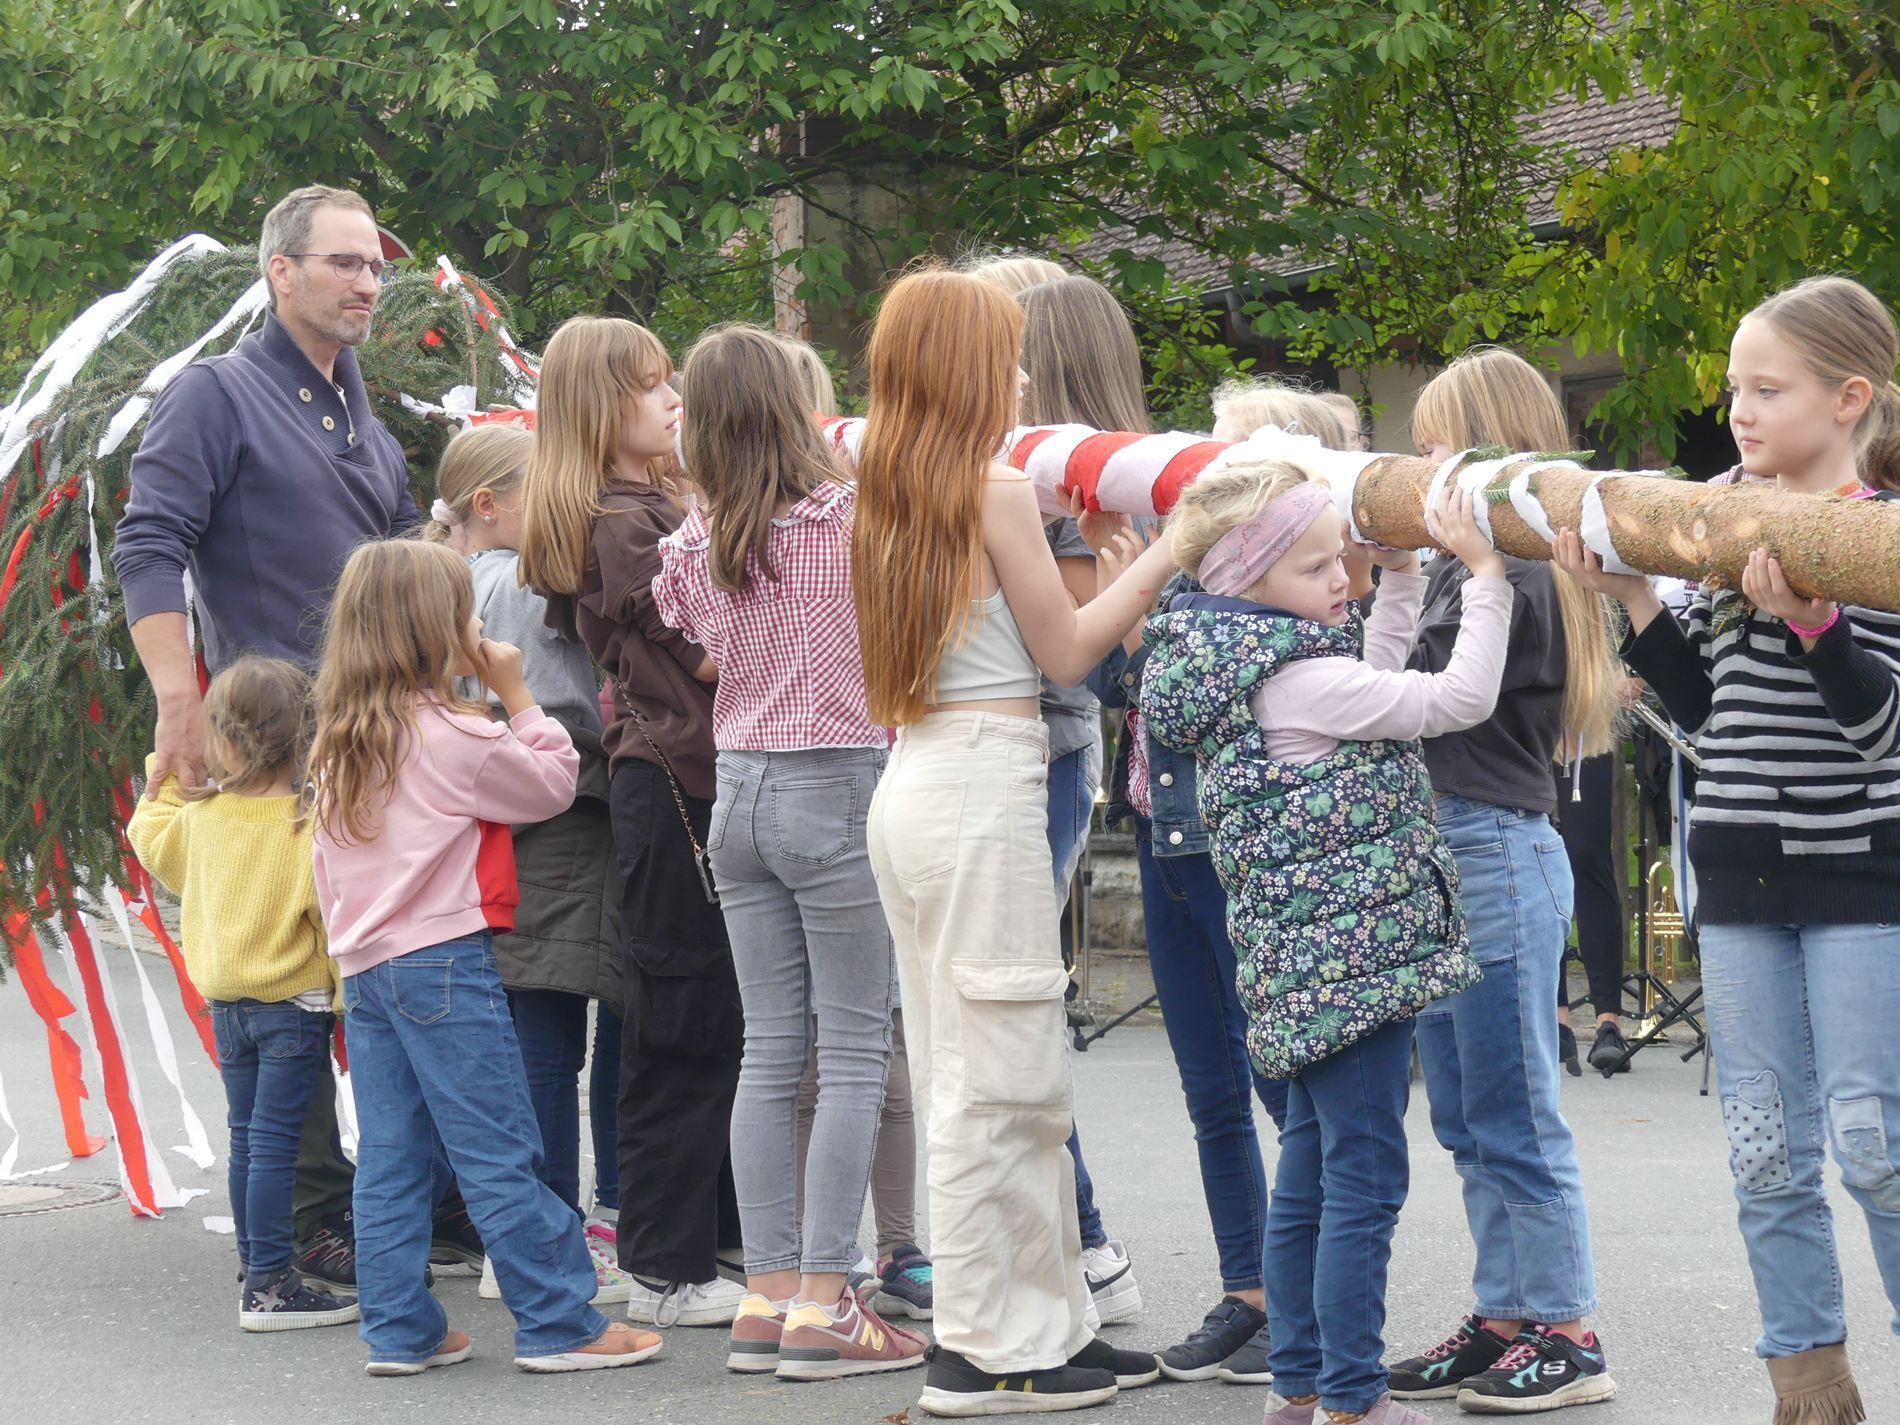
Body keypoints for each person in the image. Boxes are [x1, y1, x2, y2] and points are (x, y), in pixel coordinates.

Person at [112, 182, 477, 1292]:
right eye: (344, 263)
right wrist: (181, 700)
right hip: (278, 742)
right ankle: (315, 1223)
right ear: (281, 272)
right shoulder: (215, 396)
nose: (368, 282)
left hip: (379, 733)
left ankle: (432, 1200)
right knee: (290, 990)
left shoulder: (358, 407)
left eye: (375, 266)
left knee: (399, 964)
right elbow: (148, 544)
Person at [1555, 274, 1900, 1425]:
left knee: (1875, 1146)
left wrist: (1817, 625)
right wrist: (1636, 605)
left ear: (1849, 397)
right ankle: (1808, 1388)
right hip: (1741, 879)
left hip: (1860, 881)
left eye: (1767, 388)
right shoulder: (1719, 525)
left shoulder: (1880, 537)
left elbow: (1878, 725)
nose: (1739, 410)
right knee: (1763, 1152)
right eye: (1732, 388)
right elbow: (1709, 714)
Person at [853, 266, 1173, 1416]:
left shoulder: (884, 484)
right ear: (964, 368)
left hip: (921, 780)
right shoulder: (986, 488)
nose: (1026, 373)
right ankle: (990, 1344)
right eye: (1007, 353)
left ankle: (1043, 1322)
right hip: (980, 782)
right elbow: (1072, 649)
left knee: (979, 1061)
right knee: (1003, 1076)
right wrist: (1165, 548)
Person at [1142, 461, 1504, 1425]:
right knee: (1366, 1177)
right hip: (1356, 964)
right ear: (1251, 581)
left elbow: (1366, 675)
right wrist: (1486, 577)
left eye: (1335, 560)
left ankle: (1298, 1384)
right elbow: (1451, 698)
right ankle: (1352, 1394)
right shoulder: (1300, 678)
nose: (1335, 579)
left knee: (1307, 1170)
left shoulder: (1239, 665)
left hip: (1298, 967)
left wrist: (1392, 577)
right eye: (1314, 569)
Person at [306, 538, 660, 1374]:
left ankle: (398, 1329)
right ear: (438, 633)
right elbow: (552, 783)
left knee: (392, 1156)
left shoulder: (336, 743)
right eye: (467, 613)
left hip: (367, 969)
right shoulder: (451, 734)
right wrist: (518, 693)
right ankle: (557, 1319)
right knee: (498, 1144)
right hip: (443, 963)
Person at [651, 323, 926, 1380]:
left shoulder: (690, 542)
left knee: (770, 1050)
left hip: (741, 792)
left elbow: (710, 651)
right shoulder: (850, 520)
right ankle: (826, 1298)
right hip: (836, 780)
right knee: (853, 1050)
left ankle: (768, 1289)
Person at [1384, 348, 1624, 1414]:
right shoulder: (1460, 567)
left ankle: (1568, 1330)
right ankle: (1504, 1314)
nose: (1420, 464)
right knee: (1467, 1116)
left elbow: (1447, 697)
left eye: (1437, 443)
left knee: (1517, 1109)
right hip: (1446, 850)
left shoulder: (1518, 572)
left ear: (1484, 451)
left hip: (1489, 846)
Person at [516, 316, 748, 1329]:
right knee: (682, 1020)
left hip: (691, 779)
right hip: (672, 782)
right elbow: (712, 652)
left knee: (720, 1020)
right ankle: (664, 1263)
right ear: (601, 406)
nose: (675, 403)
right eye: (655, 388)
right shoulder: (622, 524)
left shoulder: (653, 504)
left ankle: (715, 1240)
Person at [424, 424, 630, 1304]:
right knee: (552, 1035)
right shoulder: (520, 577)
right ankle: (549, 1231)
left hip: (482, 810)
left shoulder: (434, 580)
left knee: (520, 1034)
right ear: (491, 505)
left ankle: (506, 1224)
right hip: (560, 805)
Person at [126, 658, 355, 1332]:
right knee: (277, 1147)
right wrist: (346, 998)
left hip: (226, 1007)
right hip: (293, 1009)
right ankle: (270, 1286)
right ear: (304, 739)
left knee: (247, 1140)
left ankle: (257, 1262)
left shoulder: (201, 818)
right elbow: (329, 919)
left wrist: (164, 768)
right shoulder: (306, 824)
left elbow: (148, 835)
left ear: (218, 739)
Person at [1008, 272, 1149, 1327]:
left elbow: (1068, 641)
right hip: (1017, 746)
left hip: (1039, 748)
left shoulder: (1067, 481)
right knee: (1008, 1007)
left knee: (1018, 1006)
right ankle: (1062, 1238)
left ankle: (1085, 1241)